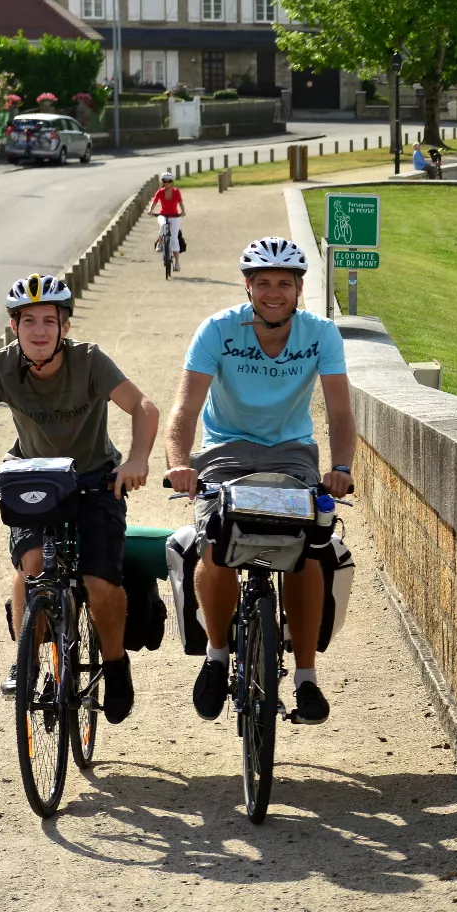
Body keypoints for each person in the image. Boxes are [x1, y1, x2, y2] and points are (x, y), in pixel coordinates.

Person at [0, 274, 160, 723]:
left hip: (94, 479)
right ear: (14, 326)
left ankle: (116, 665)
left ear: (65, 326)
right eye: (29, 321)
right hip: (33, 477)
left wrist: (137, 459)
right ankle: (26, 660)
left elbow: (144, 407)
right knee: (32, 565)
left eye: (50, 320)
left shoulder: (90, 360)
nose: (39, 330)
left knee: (100, 581)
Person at [164, 237, 355, 726]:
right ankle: (216, 654)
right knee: (215, 543)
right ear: (247, 287)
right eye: (263, 282)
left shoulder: (320, 334)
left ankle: (306, 677)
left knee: (307, 549)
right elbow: (185, 408)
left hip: (292, 454)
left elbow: (339, 412)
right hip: (225, 452)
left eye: (284, 284)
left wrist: (341, 468)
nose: (274, 292)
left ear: (299, 289)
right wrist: (180, 464)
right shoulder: (218, 330)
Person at [148, 173, 186, 273]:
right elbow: (154, 201)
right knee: (163, 224)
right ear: (162, 182)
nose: (167, 183)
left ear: (172, 182)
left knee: (174, 239)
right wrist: (150, 210)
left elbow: (180, 202)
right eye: (165, 181)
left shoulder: (176, 191)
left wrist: (183, 211)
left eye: (169, 181)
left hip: (174, 216)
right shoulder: (160, 192)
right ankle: (160, 243)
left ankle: (177, 263)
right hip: (163, 215)